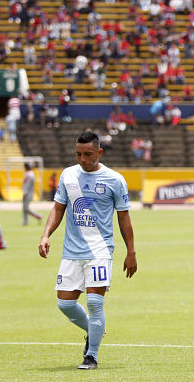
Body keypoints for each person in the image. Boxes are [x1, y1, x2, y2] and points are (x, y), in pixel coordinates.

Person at [38, 131, 137, 369]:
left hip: (100, 250)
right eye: (78, 154)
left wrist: (131, 251)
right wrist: (45, 235)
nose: (83, 159)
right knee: (65, 304)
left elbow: (124, 219)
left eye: (88, 154)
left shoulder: (114, 180)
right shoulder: (68, 175)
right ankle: (94, 330)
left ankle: (91, 355)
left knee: (94, 303)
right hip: (72, 251)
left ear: (99, 153)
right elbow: (58, 209)